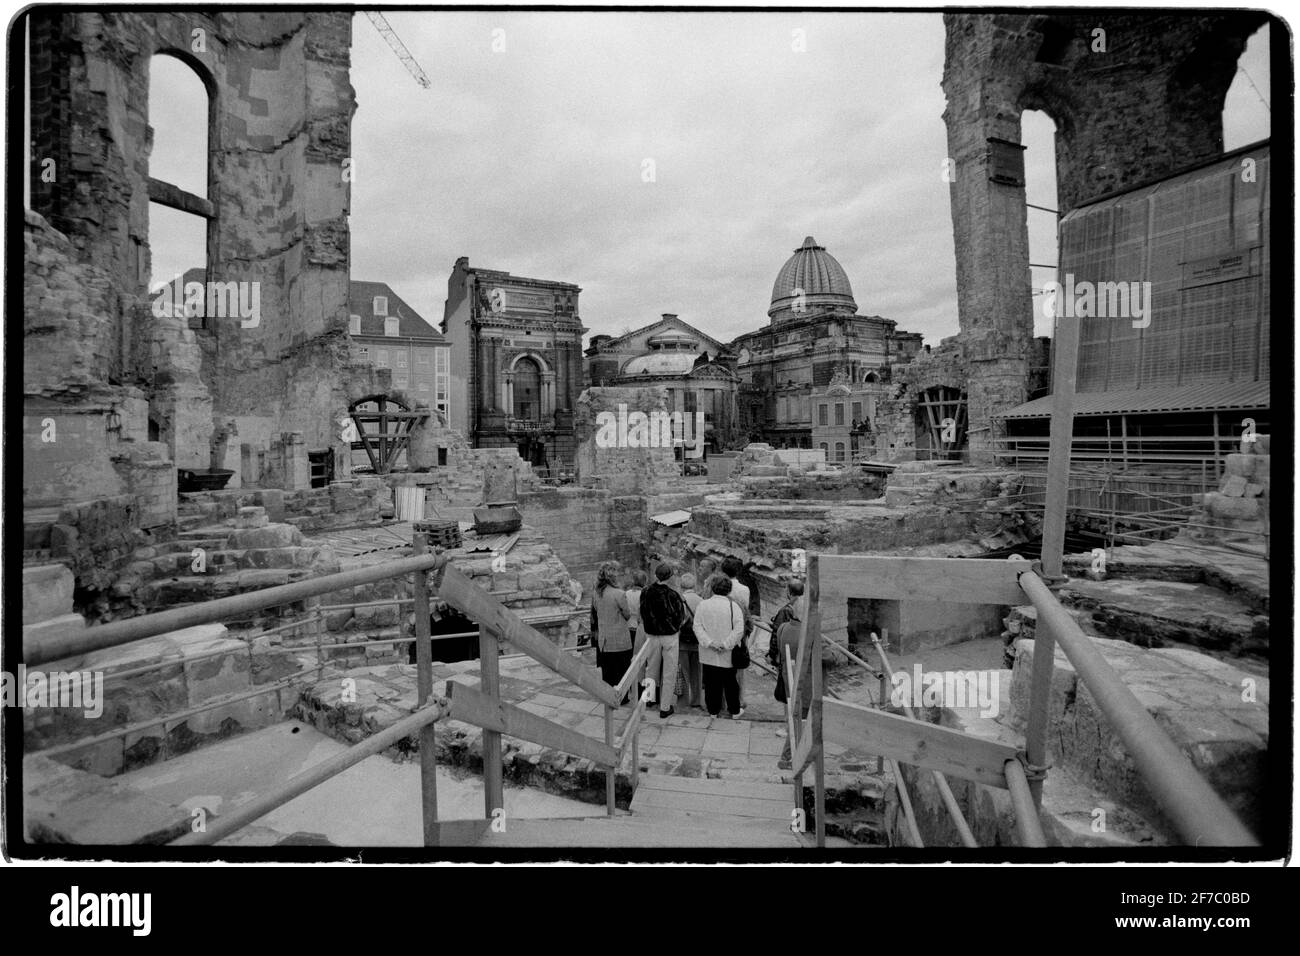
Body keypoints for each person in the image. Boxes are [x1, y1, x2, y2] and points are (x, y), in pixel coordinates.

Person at [639, 562, 687, 718]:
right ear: (670, 577)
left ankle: (648, 699)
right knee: (669, 671)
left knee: (650, 668)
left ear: (655, 575)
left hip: (652, 635)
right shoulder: (673, 595)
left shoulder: (645, 591)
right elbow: (681, 617)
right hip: (669, 636)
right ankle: (665, 707)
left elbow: (643, 611)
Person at [694, 575, 744, 719]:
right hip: (727, 652)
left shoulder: (703, 605)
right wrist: (726, 644)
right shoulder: (733, 606)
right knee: (730, 682)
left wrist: (710, 643)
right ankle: (734, 710)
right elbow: (739, 629)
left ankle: (713, 711)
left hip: (708, 651)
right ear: (729, 590)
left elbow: (697, 627)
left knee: (710, 682)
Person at [591, 562, 633, 702]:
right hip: (620, 638)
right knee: (622, 669)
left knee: (608, 670)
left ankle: (608, 697)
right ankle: (623, 697)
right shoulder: (619, 594)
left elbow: (596, 612)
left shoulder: (596, 594)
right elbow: (627, 615)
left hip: (604, 640)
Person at [721, 556, 753, 716]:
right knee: (739, 667)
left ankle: (724, 700)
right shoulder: (744, 590)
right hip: (739, 630)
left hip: (722, 629)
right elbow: (745, 611)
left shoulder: (717, 586)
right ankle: (739, 699)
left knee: (724, 665)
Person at [677, 573, 704, 709]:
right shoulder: (701, 600)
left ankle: (683, 701)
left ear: (681, 585)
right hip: (697, 641)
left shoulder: (679, 600)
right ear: (694, 585)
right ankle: (696, 699)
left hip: (682, 641)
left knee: (683, 672)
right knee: (697, 672)